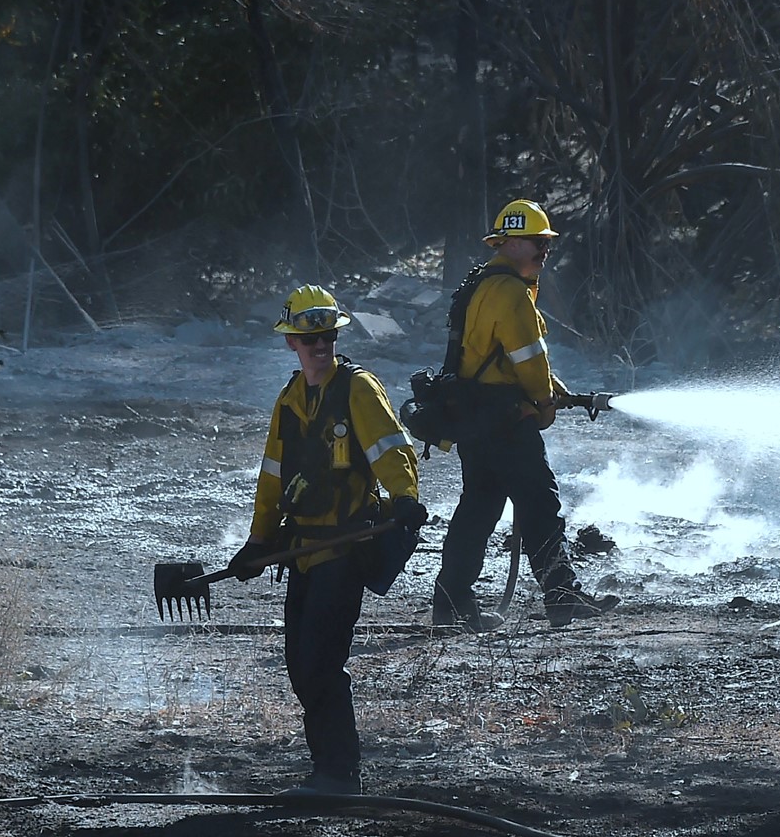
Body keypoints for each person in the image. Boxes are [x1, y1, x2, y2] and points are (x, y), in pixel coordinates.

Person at [232, 284, 429, 795]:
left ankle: (338, 775)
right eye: (309, 338)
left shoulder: (357, 389)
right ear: (291, 344)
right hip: (301, 553)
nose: (319, 346)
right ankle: (328, 770)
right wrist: (258, 542)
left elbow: (391, 449)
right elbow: (272, 477)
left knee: (321, 662)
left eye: (327, 337)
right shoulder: (290, 401)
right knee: (301, 666)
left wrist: (405, 496)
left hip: (344, 550)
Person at [430, 199, 617, 631]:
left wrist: (556, 391)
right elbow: (527, 358)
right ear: (510, 243)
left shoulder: (483, 283)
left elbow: (500, 358)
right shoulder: (511, 291)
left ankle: (450, 602)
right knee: (540, 503)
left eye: (546, 242)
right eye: (536, 241)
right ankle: (561, 595)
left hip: (476, 417)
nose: (544, 250)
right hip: (506, 420)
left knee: (478, 506)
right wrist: (543, 401)